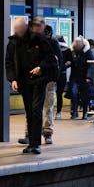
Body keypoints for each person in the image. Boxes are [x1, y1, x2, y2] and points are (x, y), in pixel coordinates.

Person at [5, 17, 57, 154]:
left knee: (36, 110)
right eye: (16, 29)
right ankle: (31, 143)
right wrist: (13, 79)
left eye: (21, 28)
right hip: (23, 81)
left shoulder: (38, 39)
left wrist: (41, 67)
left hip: (38, 80)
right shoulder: (13, 43)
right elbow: (9, 62)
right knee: (29, 111)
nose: (18, 31)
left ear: (26, 27)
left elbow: (50, 57)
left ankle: (36, 144)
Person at [22, 18, 59, 146]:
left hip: (48, 80)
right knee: (31, 108)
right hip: (32, 79)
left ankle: (48, 133)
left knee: (47, 107)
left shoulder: (52, 44)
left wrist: (52, 75)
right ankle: (29, 134)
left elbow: (57, 62)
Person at [70, 36, 94, 119]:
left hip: (85, 78)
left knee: (85, 96)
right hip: (75, 77)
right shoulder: (72, 52)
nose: (77, 45)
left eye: (78, 44)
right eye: (76, 44)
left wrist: (88, 76)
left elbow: (92, 64)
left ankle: (85, 112)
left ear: (82, 44)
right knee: (73, 93)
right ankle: (74, 111)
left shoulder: (88, 52)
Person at [54, 34, 69, 118]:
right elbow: (67, 63)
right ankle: (52, 111)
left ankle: (58, 111)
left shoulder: (67, 51)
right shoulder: (52, 50)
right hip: (53, 74)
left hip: (61, 75)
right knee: (50, 93)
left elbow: (70, 62)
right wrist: (65, 65)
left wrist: (62, 66)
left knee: (59, 93)